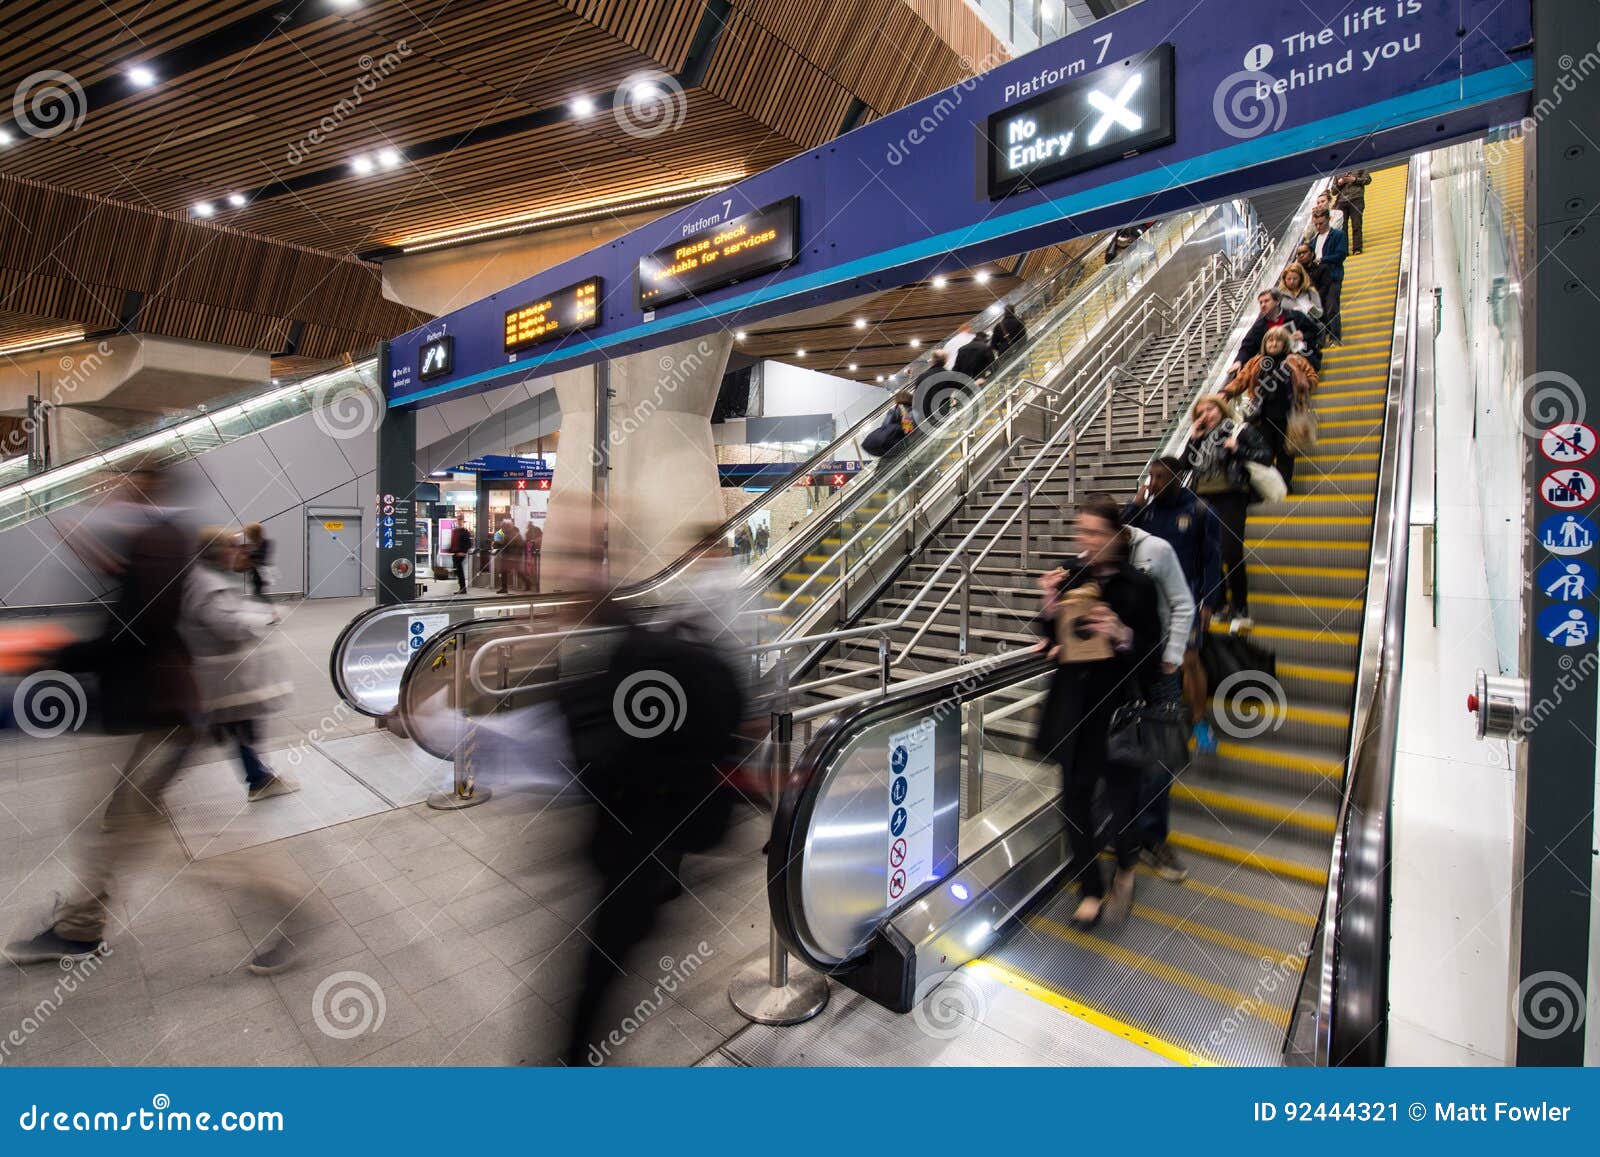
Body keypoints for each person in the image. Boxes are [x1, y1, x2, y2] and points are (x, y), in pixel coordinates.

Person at [4, 466, 200, 963]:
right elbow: (142, 606)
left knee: (139, 829)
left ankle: (282, 900)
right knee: (116, 822)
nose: (108, 490)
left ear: (144, 486)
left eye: (120, 482)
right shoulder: (157, 537)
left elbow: (134, 629)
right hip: (150, 704)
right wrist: (102, 560)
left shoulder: (158, 539)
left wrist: (49, 656)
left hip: (147, 705)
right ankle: (79, 925)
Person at [559, 598, 745, 1065]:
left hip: (626, 835)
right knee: (611, 952)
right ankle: (579, 1052)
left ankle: (577, 1054)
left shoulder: (614, 672)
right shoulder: (686, 671)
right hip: (652, 829)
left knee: (605, 961)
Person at [1032, 497, 1163, 928]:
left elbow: (1151, 650)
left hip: (1118, 709)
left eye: (1094, 533)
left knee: (1121, 799)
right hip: (1074, 707)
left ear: (1115, 536)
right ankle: (1090, 888)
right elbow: (1051, 633)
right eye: (1081, 532)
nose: (1085, 541)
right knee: (1074, 799)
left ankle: (1126, 860)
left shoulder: (1138, 585)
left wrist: (1122, 634)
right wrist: (1049, 605)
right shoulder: (1071, 573)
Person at [183, 526, 298, 804]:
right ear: (218, 552)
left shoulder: (209, 578)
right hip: (221, 675)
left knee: (240, 725)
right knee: (193, 735)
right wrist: (265, 618)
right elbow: (228, 625)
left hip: (224, 674)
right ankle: (258, 779)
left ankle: (259, 777)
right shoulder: (208, 584)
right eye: (234, 548)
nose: (241, 553)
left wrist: (259, 613)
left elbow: (230, 612)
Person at [1126, 455, 1224, 756]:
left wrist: (1210, 601)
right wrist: (1135, 506)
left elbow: (1213, 558)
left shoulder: (1200, 510)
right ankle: (1157, 714)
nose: (1153, 484)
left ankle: (1198, 720)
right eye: (1151, 477)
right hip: (1150, 601)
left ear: (1177, 478)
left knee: (1189, 660)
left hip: (1187, 599)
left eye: (1160, 478)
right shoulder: (1148, 512)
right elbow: (1117, 536)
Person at [1121, 503, 1196, 883]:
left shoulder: (1158, 550)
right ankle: (1123, 831)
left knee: (1157, 754)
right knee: (1122, 750)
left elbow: (1183, 603)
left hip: (1159, 669)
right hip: (1121, 667)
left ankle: (1152, 836)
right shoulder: (1097, 555)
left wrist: (1173, 654)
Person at [1184, 395, 1273, 628]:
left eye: (1210, 409)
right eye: (1201, 412)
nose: (1206, 415)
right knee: (1208, 554)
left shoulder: (1237, 430)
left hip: (1231, 497)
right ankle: (1220, 604)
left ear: (1221, 409)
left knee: (1231, 553)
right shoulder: (1199, 438)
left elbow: (1265, 455)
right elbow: (1183, 466)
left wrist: (1238, 449)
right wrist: (1193, 439)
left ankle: (1241, 608)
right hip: (1202, 499)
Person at [1226, 326, 1314, 491]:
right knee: (1263, 453)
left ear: (1284, 343)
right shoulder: (1256, 362)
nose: (1273, 344)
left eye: (1278, 340)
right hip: (1261, 417)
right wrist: (1225, 393)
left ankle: (1284, 486)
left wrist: (1306, 383)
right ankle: (1265, 488)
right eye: (1270, 340)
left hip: (1287, 416)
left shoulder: (1295, 360)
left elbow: (1311, 377)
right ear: (1265, 343)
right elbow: (1241, 380)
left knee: (1285, 454)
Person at [1228, 289, 1318, 377]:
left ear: (1277, 301)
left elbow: (1316, 331)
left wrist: (1304, 336)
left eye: (1266, 301)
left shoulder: (1295, 316)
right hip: (1277, 366)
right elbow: (1247, 346)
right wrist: (1239, 361)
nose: (1263, 305)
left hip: (1302, 357)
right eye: (1261, 302)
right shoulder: (1259, 327)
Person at [1308, 206, 1348, 340]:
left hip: (1333, 276)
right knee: (1321, 309)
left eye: (1321, 223)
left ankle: (1335, 337)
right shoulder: (1313, 241)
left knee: (1331, 307)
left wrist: (1322, 259)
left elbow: (1341, 254)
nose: (1318, 226)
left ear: (1329, 219)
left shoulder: (1338, 235)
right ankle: (1326, 336)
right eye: (1316, 224)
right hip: (1317, 279)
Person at [1332, 169, 1371, 254]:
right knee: (1342, 227)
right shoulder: (1338, 172)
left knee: (1356, 224)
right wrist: (1339, 183)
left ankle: (1357, 249)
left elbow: (1368, 180)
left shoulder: (1360, 166)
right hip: (1341, 201)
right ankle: (1344, 250)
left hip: (1357, 198)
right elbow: (1333, 191)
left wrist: (1354, 179)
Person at [241, 522, 271, 598]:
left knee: (258, 592)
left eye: (249, 534)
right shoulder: (252, 543)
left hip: (261, 572)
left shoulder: (265, 542)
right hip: (253, 572)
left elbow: (262, 555)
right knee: (257, 591)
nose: (248, 536)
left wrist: (249, 554)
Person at [495, 519, 525, 592]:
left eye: (504, 526)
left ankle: (528, 583)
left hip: (512, 557)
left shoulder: (514, 534)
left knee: (516, 572)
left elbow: (520, 545)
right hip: (508, 556)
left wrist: (515, 555)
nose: (502, 527)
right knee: (505, 571)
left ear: (508, 526)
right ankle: (504, 588)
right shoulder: (507, 533)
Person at [449, 521, 473, 593]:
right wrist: (450, 550)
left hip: (460, 553)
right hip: (456, 553)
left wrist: (463, 551)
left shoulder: (464, 532)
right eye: (458, 520)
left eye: (460, 520)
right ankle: (462, 588)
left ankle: (463, 588)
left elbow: (468, 543)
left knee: (460, 571)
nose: (459, 522)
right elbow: (454, 542)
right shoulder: (456, 531)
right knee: (459, 570)